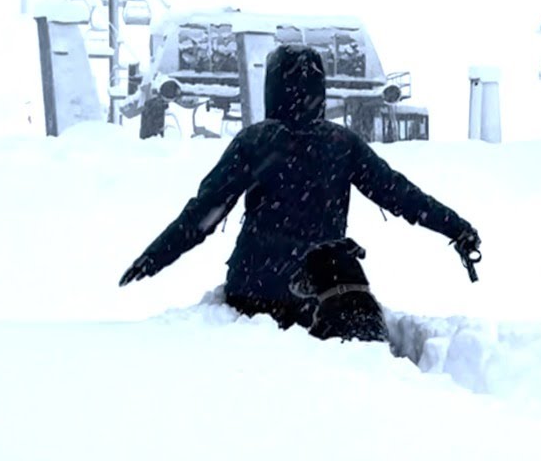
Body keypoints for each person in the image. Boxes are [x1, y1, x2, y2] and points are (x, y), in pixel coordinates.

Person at [118, 44, 480, 330]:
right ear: (320, 91)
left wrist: (154, 257)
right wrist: (457, 228)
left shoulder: (254, 142)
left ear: (272, 89)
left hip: (255, 289)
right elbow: (402, 196)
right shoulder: (343, 144)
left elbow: (202, 215)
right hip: (322, 286)